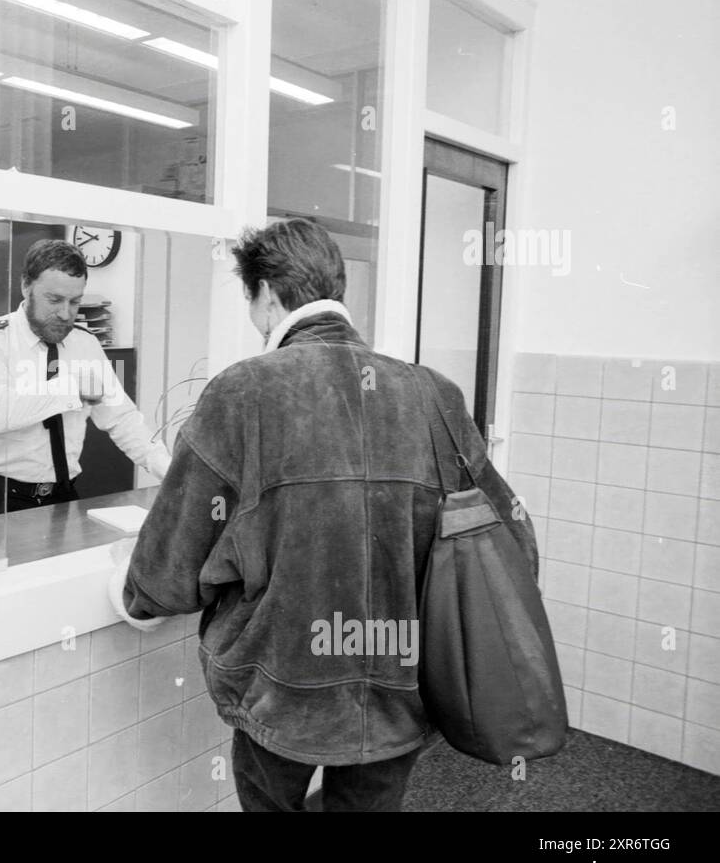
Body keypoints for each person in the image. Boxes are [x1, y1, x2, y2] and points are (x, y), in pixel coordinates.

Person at [106, 217, 536, 811]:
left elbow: (175, 551)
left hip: (280, 683)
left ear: (267, 296)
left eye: (250, 300)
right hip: (399, 680)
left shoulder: (244, 391)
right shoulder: (433, 393)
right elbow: (512, 535)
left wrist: (140, 598)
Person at [0, 239, 171, 516]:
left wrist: (173, 474)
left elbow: (122, 418)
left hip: (64, 496)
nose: (65, 314)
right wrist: (71, 388)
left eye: (75, 302)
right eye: (55, 300)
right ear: (26, 286)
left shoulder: (86, 344)